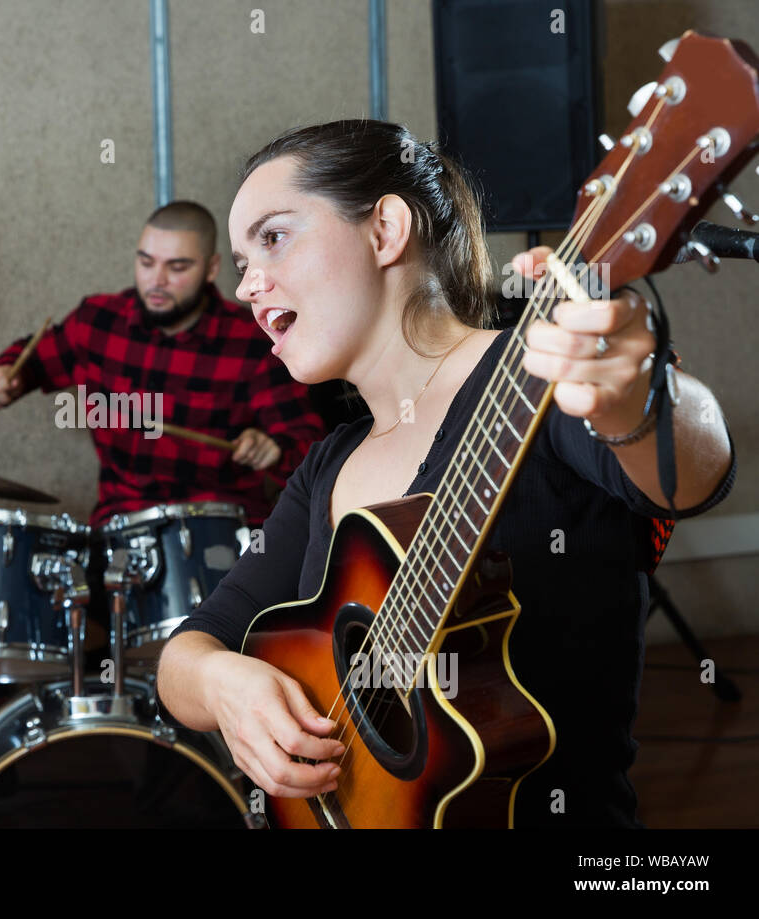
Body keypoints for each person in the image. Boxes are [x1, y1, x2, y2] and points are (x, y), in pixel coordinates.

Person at [156, 120, 737, 828]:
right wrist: (223, 684)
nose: (249, 286)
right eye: (243, 260)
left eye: (272, 238)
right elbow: (186, 652)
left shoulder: (543, 378)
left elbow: (689, 476)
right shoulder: (327, 465)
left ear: (385, 230)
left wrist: (640, 399)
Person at [0, 200, 324, 527]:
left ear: (211, 268)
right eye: (146, 262)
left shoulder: (252, 341)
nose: (156, 280)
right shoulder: (97, 321)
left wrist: (273, 450)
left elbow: (308, 447)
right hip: (120, 522)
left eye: (177, 267)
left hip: (222, 524)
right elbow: (31, 361)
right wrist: (6, 374)